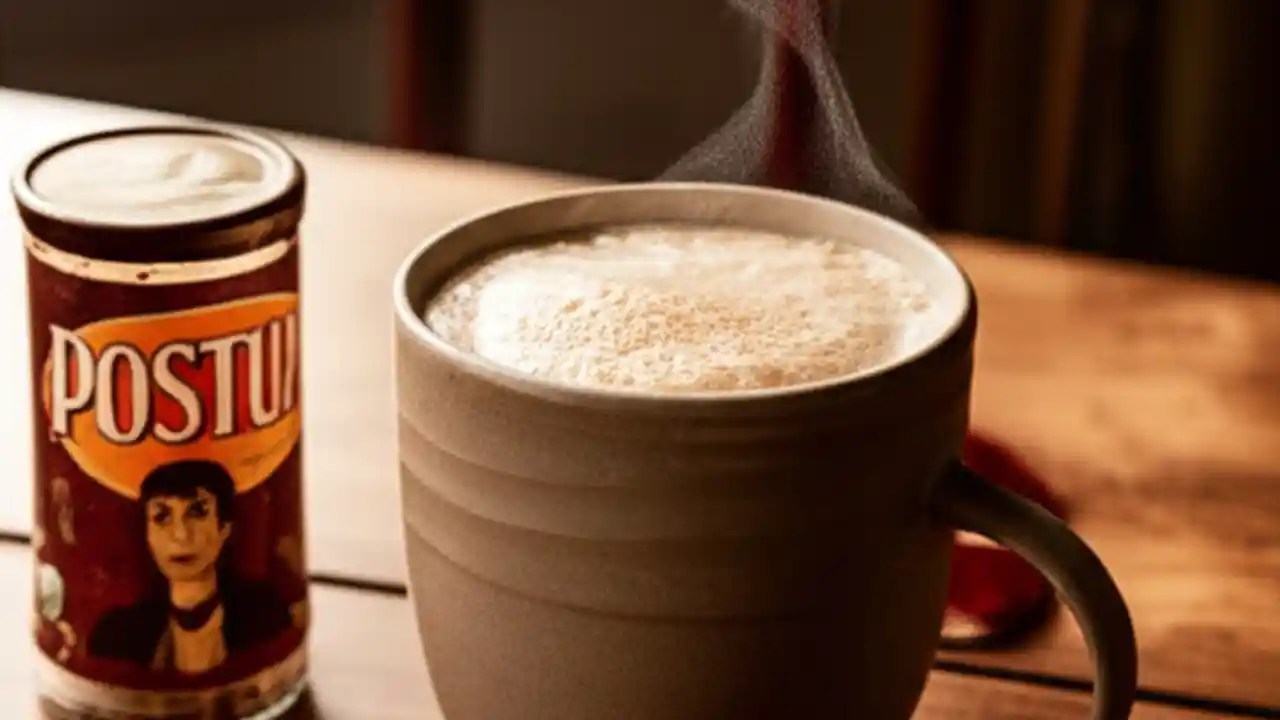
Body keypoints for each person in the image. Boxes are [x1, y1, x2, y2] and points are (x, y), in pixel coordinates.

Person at [88, 460, 291, 675]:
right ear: (147, 533)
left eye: (197, 512)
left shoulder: (265, 617)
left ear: (224, 527)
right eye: (162, 516)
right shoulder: (115, 636)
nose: (181, 535)